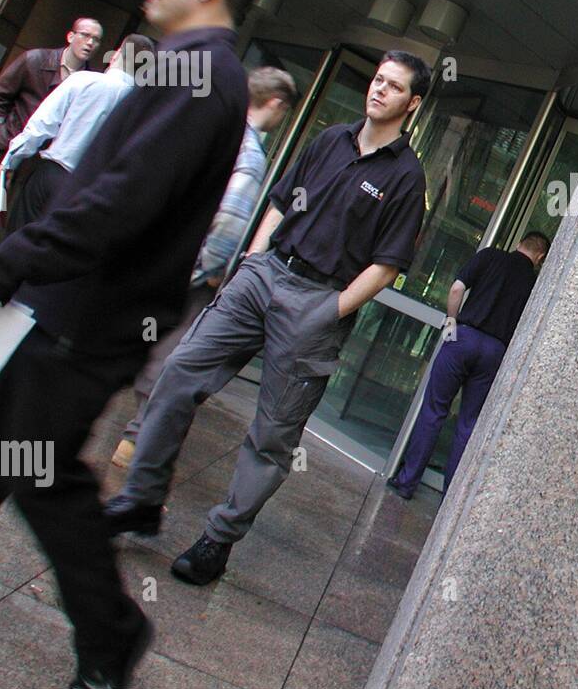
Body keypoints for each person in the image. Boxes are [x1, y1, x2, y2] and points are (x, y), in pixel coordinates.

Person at [0, 0, 263, 689]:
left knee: (40, 476)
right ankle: (109, 632)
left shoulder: (204, 77)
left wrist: (2, 265)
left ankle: (111, 632)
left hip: (84, 324)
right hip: (53, 308)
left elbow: (121, 202)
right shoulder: (185, 67)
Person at [104, 51, 432, 588]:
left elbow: (387, 266)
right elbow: (281, 202)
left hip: (317, 302)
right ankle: (141, 498)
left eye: (393, 87)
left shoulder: (405, 177)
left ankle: (218, 540)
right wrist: (253, 261)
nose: (379, 91)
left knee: (273, 435)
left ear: (412, 103)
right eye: (377, 80)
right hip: (264, 274)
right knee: (178, 373)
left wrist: (330, 311)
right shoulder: (330, 140)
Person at [112, 66, 297, 468]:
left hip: (162, 253)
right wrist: (209, 272)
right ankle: (136, 441)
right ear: (276, 104)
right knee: (173, 355)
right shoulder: (249, 155)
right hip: (192, 270)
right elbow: (229, 221)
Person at [386, 231, 550, 500]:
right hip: (495, 351)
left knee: (434, 410)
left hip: (463, 338)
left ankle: (406, 482)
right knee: (468, 425)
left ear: (519, 243)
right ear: (540, 257)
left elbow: (457, 288)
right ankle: (449, 500)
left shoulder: (490, 256)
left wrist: (452, 321)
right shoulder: (534, 282)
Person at [0, 17, 103, 257]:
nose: (90, 43)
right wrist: (3, 136)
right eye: (85, 35)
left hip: (37, 161)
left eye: (96, 39)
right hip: (5, 151)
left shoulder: (90, 81)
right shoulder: (35, 60)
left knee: (11, 226)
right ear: (70, 36)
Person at [0, 34, 152, 236]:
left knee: (16, 240)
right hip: (86, 193)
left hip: (52, 173)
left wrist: (10, 161)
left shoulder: (83, 80)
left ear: (118, 54)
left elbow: (41, 125)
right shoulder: (142, 107)